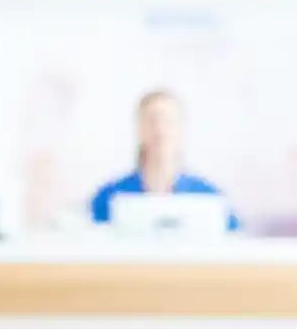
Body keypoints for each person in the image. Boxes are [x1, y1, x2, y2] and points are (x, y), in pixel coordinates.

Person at [89, 89, 239, 230]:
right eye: (152, 121)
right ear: (139, 128)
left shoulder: (209, 197)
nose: (160, 130)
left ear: (181, 129)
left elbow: (235, 244)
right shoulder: (110, 197)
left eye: (169, 121)